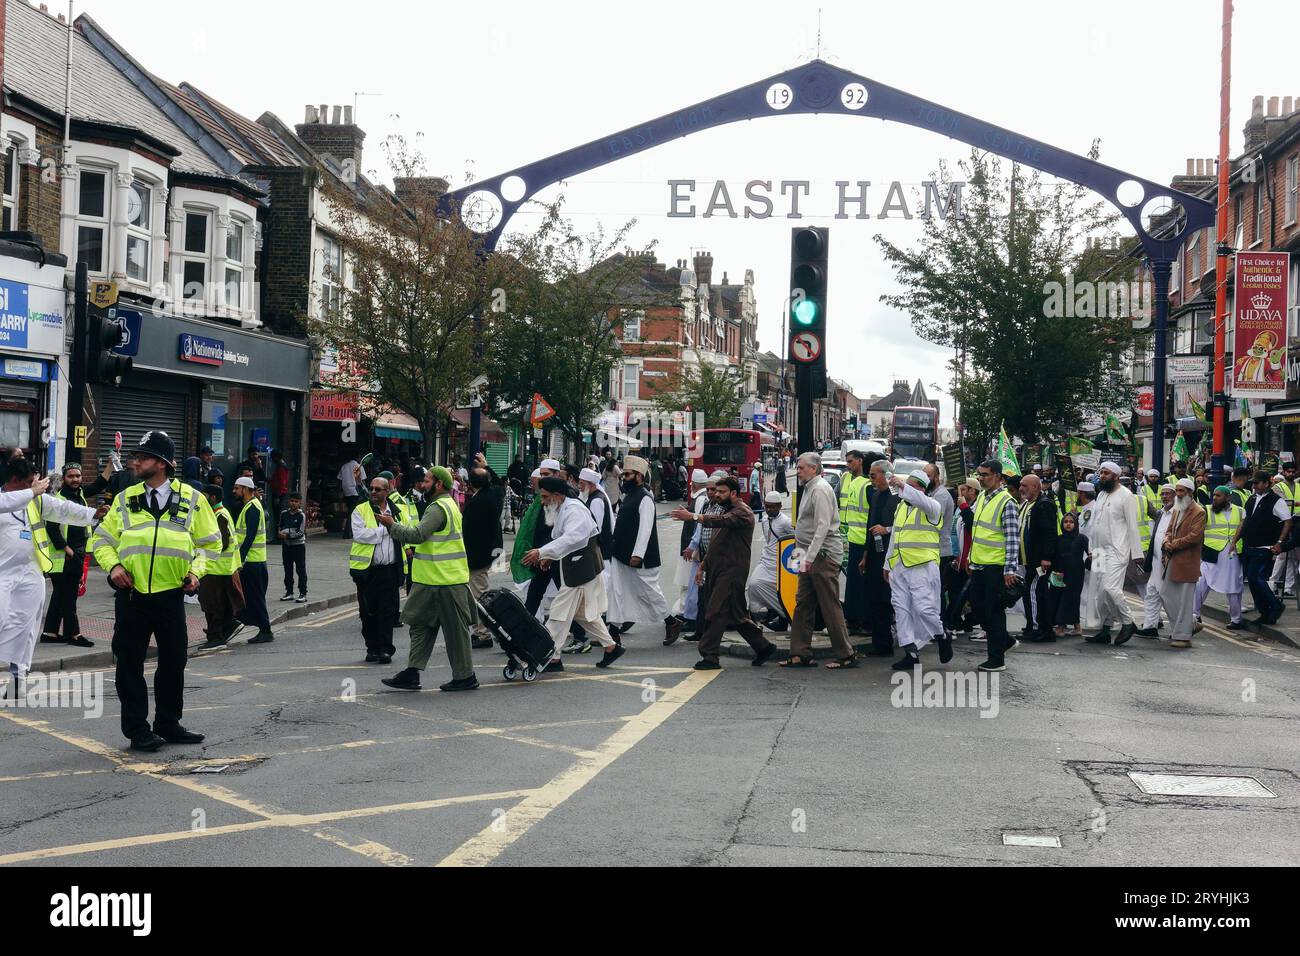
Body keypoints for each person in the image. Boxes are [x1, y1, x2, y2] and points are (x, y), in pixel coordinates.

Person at [91, 430, 219, 751]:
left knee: (174, 662)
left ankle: (168, 723)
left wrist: (195, 571)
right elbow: (102, 540)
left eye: (143, 457)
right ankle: (138, 730)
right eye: (136, 456)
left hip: (171, 595)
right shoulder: (126, 498)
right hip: (132, 597)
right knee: (129, 664)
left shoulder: (192, 499)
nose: (135, 462)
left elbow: (210, 544)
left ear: (161, 463)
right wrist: (113, 567)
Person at [2, 464, 101, 693]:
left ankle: (18, 678)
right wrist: (32, 491)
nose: (35, 486)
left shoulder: (36, 500)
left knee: (26, 626)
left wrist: (92, 514)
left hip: (31, 571)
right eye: (29, 482)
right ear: (14, 480)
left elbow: (63, 508)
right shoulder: (12, 498)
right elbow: (7, 502)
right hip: (3, 574)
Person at [378, 467, 478, 692]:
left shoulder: (438, 507)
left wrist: (391, 525)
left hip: (445, 581)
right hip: (431, 580)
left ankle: (465, 677)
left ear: (439, 484)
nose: (422, 484)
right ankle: (412, 673)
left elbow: (417, 535)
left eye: (426, 480)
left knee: (456, 633)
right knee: (420, 626)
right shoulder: (448, 504)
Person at [672, 476, 778, 669]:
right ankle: (763, 647)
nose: (717, 495)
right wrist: (703, 566)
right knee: (737, 615)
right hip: (718, 570)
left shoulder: (742, 512)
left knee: (715, 611)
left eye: (722, 492)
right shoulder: (726, 510)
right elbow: (717, 543)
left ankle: (710, 656)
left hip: (732, 572)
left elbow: (720, 521)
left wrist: (693, 517)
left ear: (734, 493)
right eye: (717, 491)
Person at [525, 477, 624, 669]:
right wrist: (549, 557)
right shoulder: (562, 508)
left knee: (558, 613)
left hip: (581, 569)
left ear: (557, 495)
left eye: (544, 497)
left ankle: (552, 657)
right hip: (575, 567)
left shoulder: (574, 510)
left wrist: (542, 552)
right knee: (582, 613)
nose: (542, 501)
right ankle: (611, 647)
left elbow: (572, 538)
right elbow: (561, 539)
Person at [782, 452, 857, 670]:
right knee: (803, 603)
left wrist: (809, 558)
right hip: (808, 555)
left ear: (814, 469)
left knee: (829, 605)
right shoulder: (810, 487)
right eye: (798, 467)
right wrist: (800, 558)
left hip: (822, 555)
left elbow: (823, 526)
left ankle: (846, 654)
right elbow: (804, 527)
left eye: (801, 467)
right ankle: (799, 653)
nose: (798, 471)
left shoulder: (820, 489)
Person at [606, 455, 680, 645]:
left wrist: (638, 554)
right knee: (617, 591)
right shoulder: (630, 495)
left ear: (638, 476)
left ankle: (671, 622)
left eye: (627, 475)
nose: (624, 478)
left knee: (649, 593)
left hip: (639, 558)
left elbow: (646, 529)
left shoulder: (645, 497)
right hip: (620, 553)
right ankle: (613, 632)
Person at [884, 469, 953, 670]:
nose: (907, 491)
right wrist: (887, 564)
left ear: (922, 489)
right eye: (908, 486)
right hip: (900, 566)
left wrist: (903, 486)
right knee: (901, 610)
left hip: (923, 566)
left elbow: (920, 500)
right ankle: (910, 653)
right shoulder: (901, 508)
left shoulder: (933, 506)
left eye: (913, 487)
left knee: (925, 609)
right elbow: (895, 537)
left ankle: (941, 634)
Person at [967, 459, 1021, 672]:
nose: (981, 478)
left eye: (985, 474)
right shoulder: (982, 497)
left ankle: (996, 659)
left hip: (996, 567)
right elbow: (977, 530)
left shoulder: (1007, 502)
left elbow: (1012, 539)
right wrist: (970, 557)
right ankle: (1005, 641)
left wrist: (1010, 570)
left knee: (994, 612)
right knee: (977, 608)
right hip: (979, 564)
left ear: (998, 477)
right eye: (979, 474)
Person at [1085, 461, 1143, 646]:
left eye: (1106, 473)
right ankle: (1105, 629)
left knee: (1110, 588)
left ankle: (1128, 621)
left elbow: (1132, 526)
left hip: (1117, 550)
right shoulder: (1101, 494)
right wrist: (1091, 549)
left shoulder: (1126, 496)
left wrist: (1137, 553)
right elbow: (1094, 524)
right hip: (1099, 551)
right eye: (1101, 473)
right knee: (1099, 593)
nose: (1102, 476)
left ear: (1116, 476)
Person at [350, 475, 408, 664]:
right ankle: (372, 648)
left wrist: (393, 526)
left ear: (387, 491)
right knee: (368, 613)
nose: (373, 492)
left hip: (390, 570)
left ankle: (385, 649)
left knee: (387, 612)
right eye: (371, 488)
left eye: (378, 489)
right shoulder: (360, 510)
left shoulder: (397, 511)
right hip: (367, 571)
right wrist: (387, 528)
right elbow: (360, 535)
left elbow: (406, 531)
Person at [39, 462, 97, 648]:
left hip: (76, 553)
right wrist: (67, 549)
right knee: (69, 597)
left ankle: (49, 632)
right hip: (65, 556)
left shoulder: (80, 496)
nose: (75, 479)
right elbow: (52, 528)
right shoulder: (59, 499)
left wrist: (112, 465)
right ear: (64, 478)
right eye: (71, 476)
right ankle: (74, 634)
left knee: (60, 595)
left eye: (78, 476)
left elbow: (100, 485)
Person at [1234, 470, 1291, 627]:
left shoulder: (1276, 500)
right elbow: (1244, 521)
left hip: (1265, 546)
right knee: (1252, 580)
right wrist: (1235, 541)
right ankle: (1265, 612)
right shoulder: (1252, 499)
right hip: (1249, 545)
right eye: (1253, 483)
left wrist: (1279, 542)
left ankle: (1276, 606)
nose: (1254, 486)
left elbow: (1287, 521)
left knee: (1256, 577)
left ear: (1266, 483)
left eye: (1257, 483)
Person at [1159, 479, 1207, 649]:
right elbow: (1169, 530)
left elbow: (1194, 537)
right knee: (1165, 594)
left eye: (1182, 491)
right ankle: (1190, 624)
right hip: (1173, 559)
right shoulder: (1177, 509)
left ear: (1190, 493)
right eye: (1177, 490)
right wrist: (1166, 541)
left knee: (1185, 601)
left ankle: (1183, 636)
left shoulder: (1199, 512)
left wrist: (1173, 544)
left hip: (1188, 561)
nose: (1178, 494)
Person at [196, 484, 245, 649]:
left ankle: (216, 637)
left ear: (213, 497)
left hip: (216, 568)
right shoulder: (220, 513)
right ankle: (222, 629)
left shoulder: (219, 516)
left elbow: (222, 543)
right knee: (219, 602)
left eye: (205, 496)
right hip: (222, 568)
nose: (202, 499)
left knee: (212, 604)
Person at [464, 460, 505, 650]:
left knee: (478, 595)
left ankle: (483, 633)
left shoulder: (477, 503)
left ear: (471, 484)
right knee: (481, 592)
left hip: (477, 556)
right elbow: (500, 484)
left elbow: (468, 533)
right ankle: (487, 630)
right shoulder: (495, 494)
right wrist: (487, 466)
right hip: (490, 551)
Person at [1194, 486, 1247, 629]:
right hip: (1211, 553)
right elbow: (1198, 531)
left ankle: (1236, 620)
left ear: (1228, 497)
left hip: (1233, 555)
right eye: (1214, 495)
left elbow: (1244, 530)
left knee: (1234, 587)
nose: (1214, 498)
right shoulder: (1206, 510)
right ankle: (1194, 615)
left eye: (1218, 496)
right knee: (1200, 584)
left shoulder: (1240, 511)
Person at [860, 459, 897, 657]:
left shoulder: (897, 498)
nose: (871, 480)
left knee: (885, 600)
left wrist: (886, 529)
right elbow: (870, 525)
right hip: (874, 553)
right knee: (873, 598)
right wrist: (865, 555)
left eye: (873, 476)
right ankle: (877, 643)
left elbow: (902, 526)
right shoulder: (875, 496)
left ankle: (886, 644)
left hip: (890, 555)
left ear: (886, 475)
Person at [232, 476, 274, 644]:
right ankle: (234, 622)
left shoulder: (253, 508)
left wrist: (241, 559)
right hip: (252, 561)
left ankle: (266, 630)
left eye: (237, 488)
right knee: (246, 596)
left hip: (253, 562)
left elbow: (249, 536)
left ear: (245, 489)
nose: (234, 491)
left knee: (255, 598)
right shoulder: (250, 506)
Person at [1018, 473, 1058, 640]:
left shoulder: (1043, 505)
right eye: (1021, 485)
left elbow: (1049, 533)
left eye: (1024, 485)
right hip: (1028, 560)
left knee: (1033, 591)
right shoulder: (1027, 504)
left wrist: (1046, 557)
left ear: (1035, 487)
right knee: (1034, 592)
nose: (1021, 488)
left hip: (1038, 560)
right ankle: (1036, 626)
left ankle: (1036, 628)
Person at [748, 491, 794, 630]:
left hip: (780, 564)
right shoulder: (764, 520)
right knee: (754, 584)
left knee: (778, 590)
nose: (769, 509)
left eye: (772, 507)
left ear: (779, 506)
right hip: (766, 560)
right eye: (767, 506)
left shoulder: (786, 522)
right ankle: (772, 610)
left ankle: (782, 617)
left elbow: (795, 541)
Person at [671, 468, 711, 633]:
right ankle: (687, 614)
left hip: (693, 549)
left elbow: (698, 525)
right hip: (692, 547)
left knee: (690, 584)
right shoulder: (700, 498)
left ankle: (689, 617)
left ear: (693, 484)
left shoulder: (701, 500)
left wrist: (692, 547)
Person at [1136, 484, 1176, 637]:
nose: (1164, 496)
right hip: (1155, 560)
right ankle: (1150, 627)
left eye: (1168, 494)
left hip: (1168, 561)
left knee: (1168, 596)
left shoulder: (1178, 513)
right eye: (1163, 494)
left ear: (1175, 496)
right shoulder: (1161, 513)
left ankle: (1182, 627)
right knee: (1151, 592)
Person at [838, 450, 870, 633]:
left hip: (861, 540)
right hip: (847, 534)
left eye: (850, 461)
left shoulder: (865, 484)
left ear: (860, 461)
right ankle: (852, 618)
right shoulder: (846, 479)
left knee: (857, 582)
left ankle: (856, 619)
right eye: (847, 461)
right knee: (852, 581)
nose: (847, 465)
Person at [1044, 511, 1088, 640]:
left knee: (1070, 598)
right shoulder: (1058, 539)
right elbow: (1053, 557)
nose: (1068, 524)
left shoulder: (1081, 538)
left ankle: (1061, 627)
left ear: (1076, 524)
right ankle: (1077, 627)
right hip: (1058, 573)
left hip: (1075, 573)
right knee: (1057, 597)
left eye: (1071, 522)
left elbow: (1091, 553)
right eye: (1066, 522)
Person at [1271, 460, 1300, 596]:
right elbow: (1281, 502)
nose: (1291, 474)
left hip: (1297, 522)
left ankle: (1288, 587)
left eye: (1293, 472)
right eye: (1288, 471)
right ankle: (1272, 583)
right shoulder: (1278, 487)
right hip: (1283, 522)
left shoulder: (1298, 486)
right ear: (1283, 472)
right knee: (1282, 555)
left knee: (1293, 557)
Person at [278, 492, 308, 603]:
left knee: (300, 569)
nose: (293, 503)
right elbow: (280, 526)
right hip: (286, 546)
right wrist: (280, 533)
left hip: (298, 546)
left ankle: (303, 593)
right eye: (292, 501)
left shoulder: (301, 515)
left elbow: (301, 532)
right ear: (288, 501)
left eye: (296, 501)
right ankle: (289, 592)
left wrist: (288, 536)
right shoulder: (284, 514)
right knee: (287, 569)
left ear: (300, 503)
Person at [338, 455, 366, 538]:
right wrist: (364, 491)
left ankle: (348, 532)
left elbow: (340, 479)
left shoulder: (344, 466)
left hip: (347, 492)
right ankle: (347, 533)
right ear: (358, 458)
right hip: (356, 492)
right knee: (352, 513)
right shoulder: (359, 466)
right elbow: (363, 480)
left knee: (350, 512)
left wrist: (341, 491)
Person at [268, 449, 290, 540]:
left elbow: (282, 482)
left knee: (278, 516)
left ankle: (279, 536)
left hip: (279, 494)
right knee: (278, 515)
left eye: (272, 457)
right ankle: (278, 536)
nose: (272, 459)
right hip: (279, 493)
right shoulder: (281, 466)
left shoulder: (281, 467)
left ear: (276, 457)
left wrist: (278, 496)